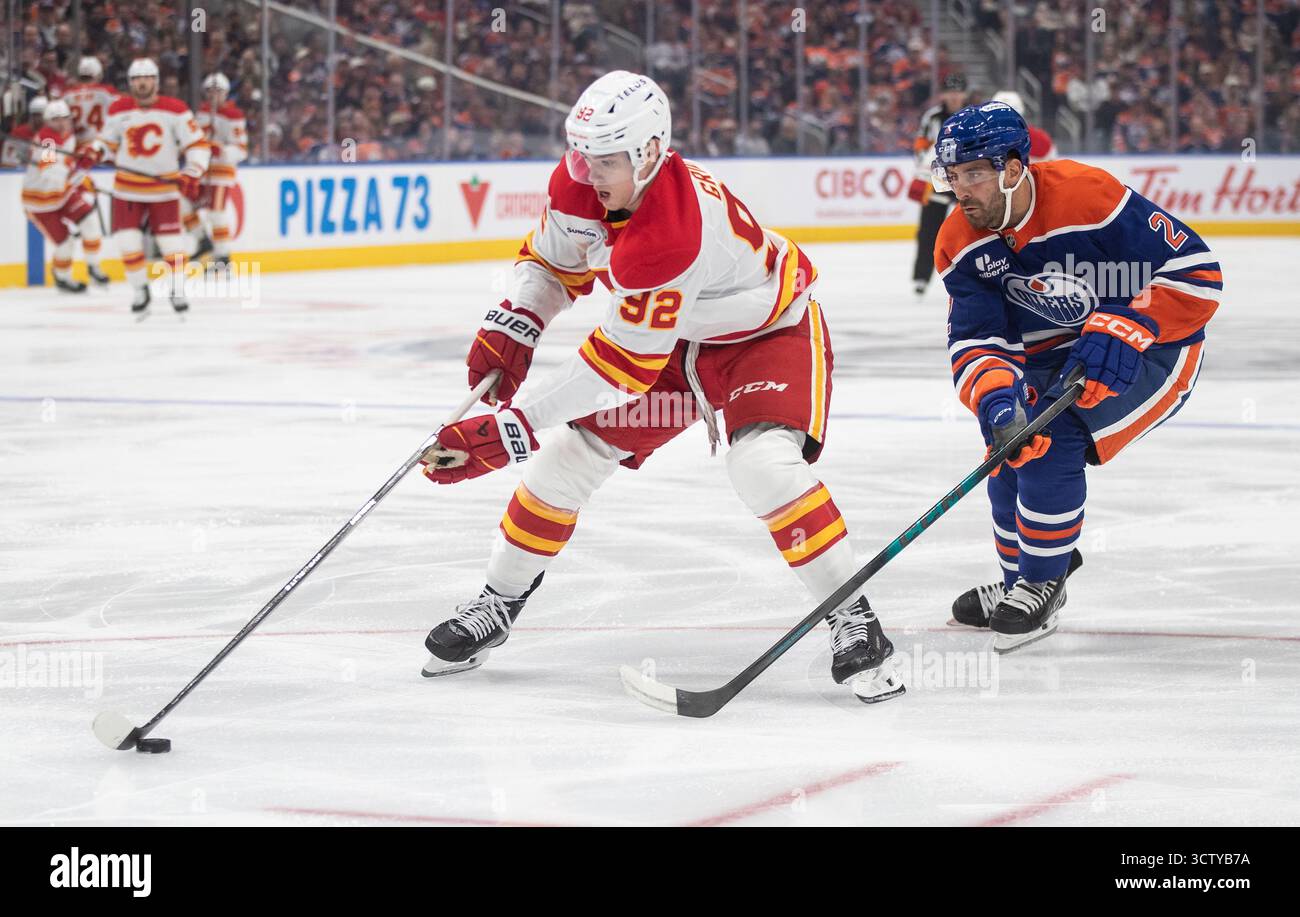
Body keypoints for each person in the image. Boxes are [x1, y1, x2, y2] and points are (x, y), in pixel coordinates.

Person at [418, 71, 904, 704]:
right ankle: (499, 600)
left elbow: (616, 369)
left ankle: (851, 616)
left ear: (650, 152)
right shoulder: (579, 182)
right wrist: (518, 318)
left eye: (608, 159)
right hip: (676, 342)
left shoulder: (672, 230)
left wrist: (512, 428)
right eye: (583, 154)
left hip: (762, 335)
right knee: (568, 460)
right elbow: (550, 263)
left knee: (762, 466)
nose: (591, 173)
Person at [933, 101, 1221, 652]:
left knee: (1055, 440)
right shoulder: (958, 241)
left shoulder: (1088, 197)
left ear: (1013, 168)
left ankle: (1044, 581)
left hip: (1159, 349)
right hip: (1060, 357)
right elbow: (978, 341)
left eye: (973, 173)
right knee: (1011, 446)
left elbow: (1197, 274)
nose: (961, 189)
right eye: (952, 176)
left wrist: (1131, 324)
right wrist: (997, 402)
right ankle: (1024, 578)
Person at [78, 58, 209, 317]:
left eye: (147, 77)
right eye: (137, 79)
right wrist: (94, 152)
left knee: (171, 244)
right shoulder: (118, 109)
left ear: (156, 81)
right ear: (130, 82)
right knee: (127, 242)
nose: (142, 83)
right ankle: (140, 290)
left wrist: (192, 172)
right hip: (128, 189)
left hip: (164, 190)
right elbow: (106, 141)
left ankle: (178, 289)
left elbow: (197, 145)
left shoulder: (176, 109)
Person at [20, 98, 107, 291]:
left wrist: (81, 169)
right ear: (46, 121)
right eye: (55, 119)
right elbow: (50, 172)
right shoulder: (48, 141)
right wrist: (79, 175)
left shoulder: (68, 136)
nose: (60, 123)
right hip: (40, 201)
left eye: (64, 118)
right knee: (65, 244)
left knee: (89, 222)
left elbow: (67, 167)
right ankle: (62, 278)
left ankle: (93, 266)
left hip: (61, 193)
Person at [908, 73, 968, 298]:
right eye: (950, 91)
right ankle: (921, 277)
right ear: (943, 94)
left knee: (971, 227)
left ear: (964, 94)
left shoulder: (971, 115)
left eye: (958, 91)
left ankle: (968, 275)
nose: (954, 96)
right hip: (938, 179)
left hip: (965, 179)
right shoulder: (932, 117)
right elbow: (920, 147)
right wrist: (927, 172)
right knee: (928, 231)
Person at [184, 72, 247, 269]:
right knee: (182, 205)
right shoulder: (200, 112)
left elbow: (242, 149)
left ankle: (223, 258)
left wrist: (220, 149)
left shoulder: (234, 116)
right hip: (201, 171)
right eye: (210, 91)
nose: (213, 95)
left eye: (218, 91)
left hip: (221, 173)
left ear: (226, 93)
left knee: (216, 213)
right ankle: (202, 239)